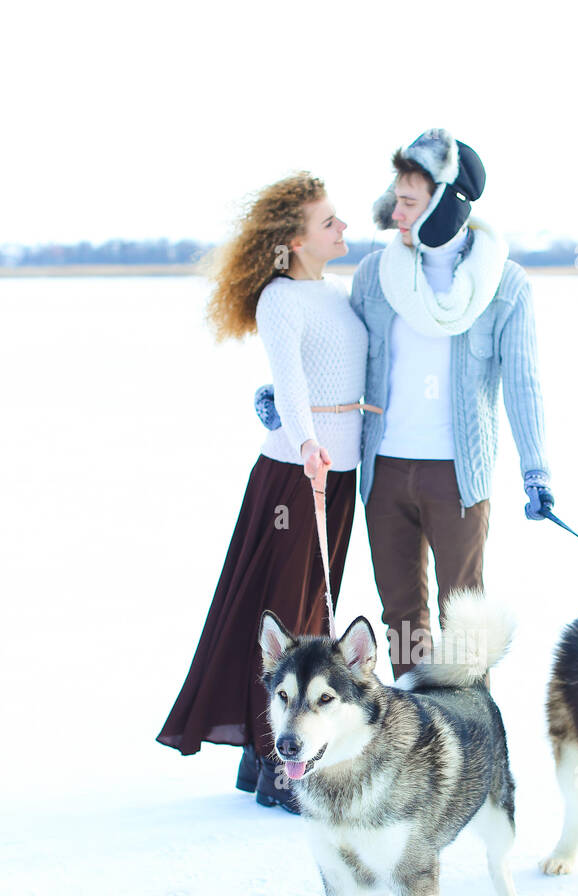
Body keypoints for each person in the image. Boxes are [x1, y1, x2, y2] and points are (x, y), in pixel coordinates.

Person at [156, 172, 370, 810]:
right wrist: (305, 443)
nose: (343, 228)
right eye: (329, 221)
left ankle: (264, 756)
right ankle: (277, 762)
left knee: (311, 612)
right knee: (286, 614)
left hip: (342, 469)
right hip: (296, 474)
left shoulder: (336, 293)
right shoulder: (281, 298)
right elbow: (291, 383)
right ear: (295, 239)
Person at [350, 129, 555, 678]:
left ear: (443, 206)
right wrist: (288, 393)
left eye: (410, 203)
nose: (396, 213)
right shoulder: (376, 275)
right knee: (402, 619)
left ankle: (473, 738)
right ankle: (415, 735)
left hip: (458, 478)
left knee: (464, 620)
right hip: (385, 472)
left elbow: (523, 381)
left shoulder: (502, 285)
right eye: (395, 199)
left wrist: (535, 471)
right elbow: (345, 356)